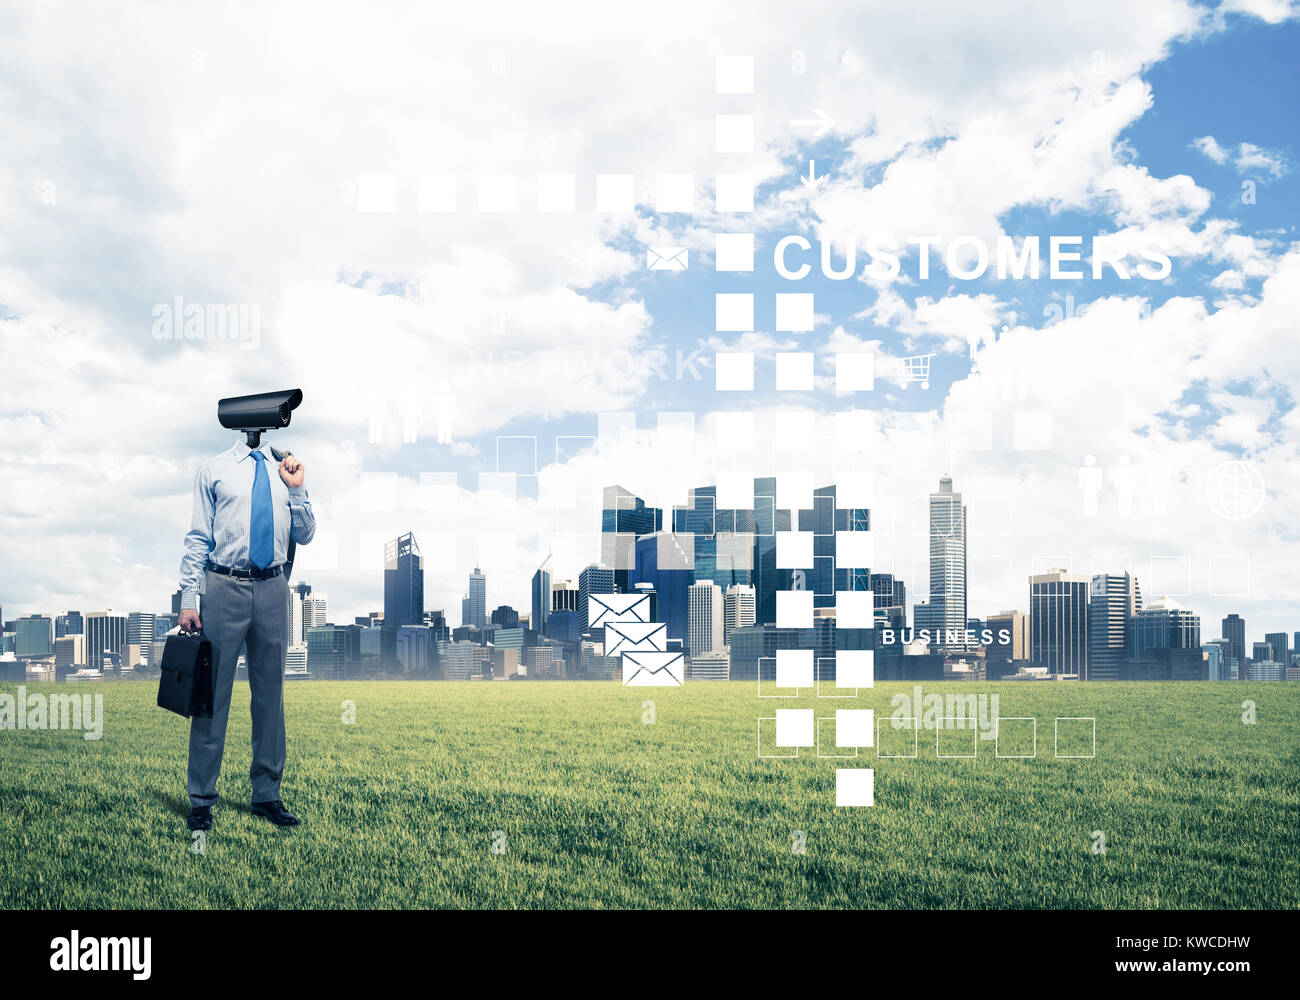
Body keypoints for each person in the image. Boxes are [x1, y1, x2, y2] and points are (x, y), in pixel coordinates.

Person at [177, 436, 315, 832]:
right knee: (211, 697)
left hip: (273, 588)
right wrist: (190, 597)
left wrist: (298, 489)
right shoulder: (213, 469)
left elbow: (305, 535)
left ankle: (266, 795)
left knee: (270, 697)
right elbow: (199, 537)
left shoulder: (285, 469)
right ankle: (201, 801)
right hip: (223, 587)